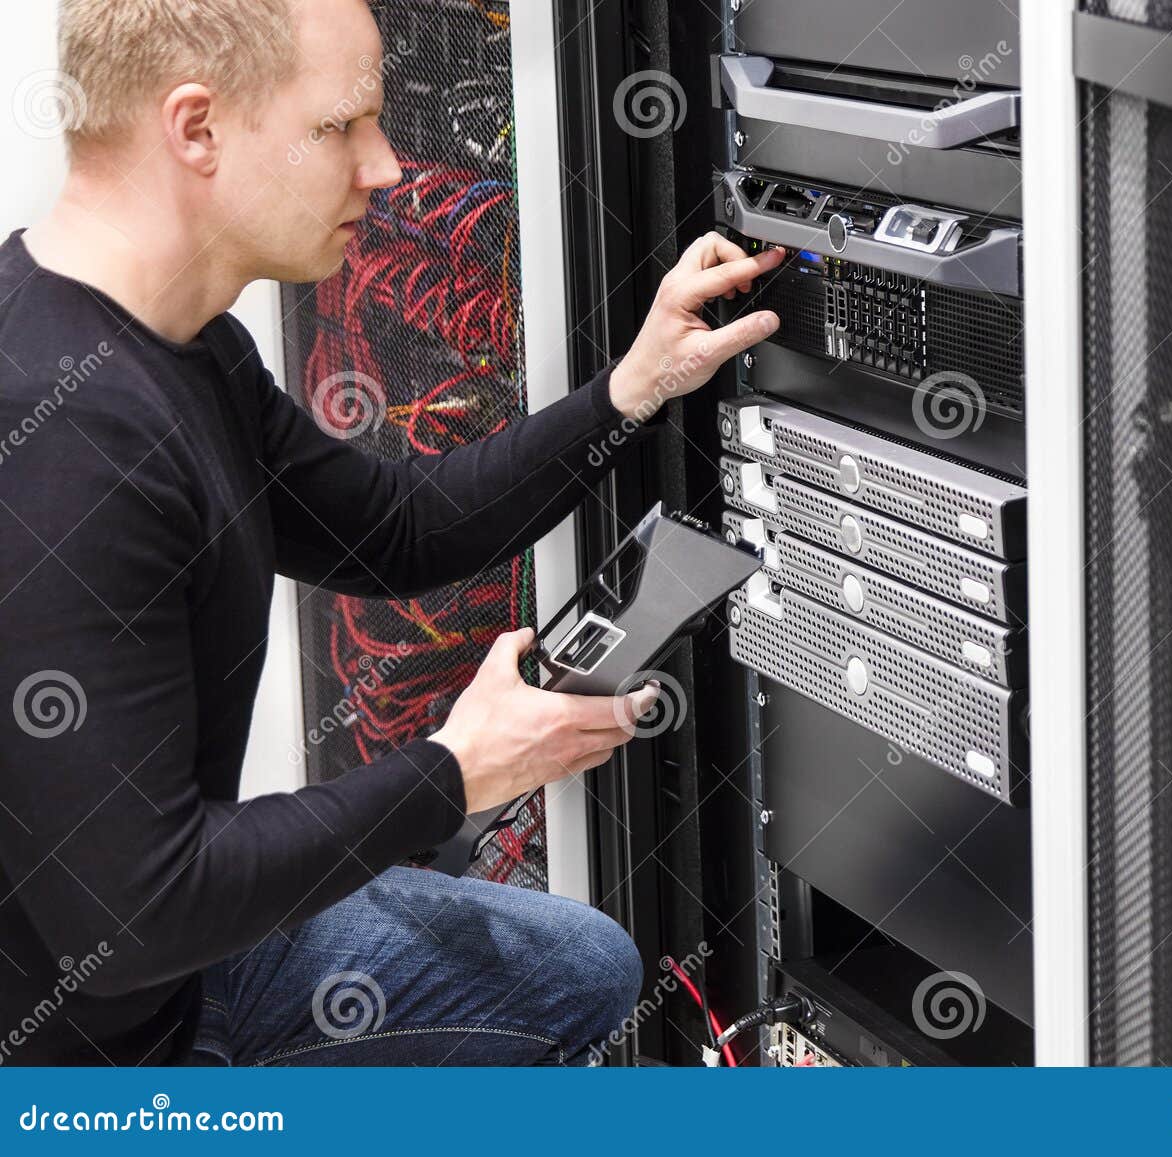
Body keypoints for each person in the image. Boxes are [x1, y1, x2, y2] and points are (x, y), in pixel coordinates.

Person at [0, 0, 782, 1066]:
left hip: (168, 972)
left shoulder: (175, 348)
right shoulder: (62, 437)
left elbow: (401, 533)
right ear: (196, 129)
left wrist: (633, 388)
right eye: (344, 125)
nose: (387, 168)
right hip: (87, 1059)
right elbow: (132, 916)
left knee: (583, 963)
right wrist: (456, 769)